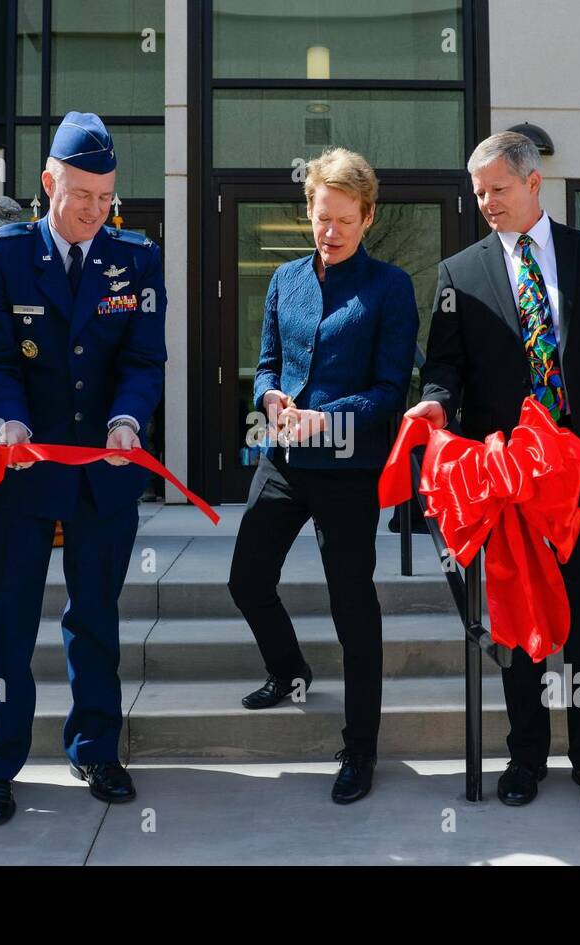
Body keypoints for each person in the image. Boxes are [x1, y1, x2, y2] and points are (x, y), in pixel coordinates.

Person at [406, 131, 580, 817]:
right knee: (517, 627)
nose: (485, 202)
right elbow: (445, 367)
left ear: (533, 182)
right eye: (478, 191)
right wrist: (435, 402)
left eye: (496, 189)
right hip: (507, 487)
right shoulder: (461, 272)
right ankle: (525, 755)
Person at [0, 112, 166, 825]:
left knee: (96, 620)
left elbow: (143, 358)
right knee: (6, 621)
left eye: (106, 196)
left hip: (104, 471)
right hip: (21, 470)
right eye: (81, 193)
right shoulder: (2, 255)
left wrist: (128, 421)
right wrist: (5, 420)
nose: (94, 209)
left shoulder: (136, 258)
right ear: (48, 181)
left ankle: (96, 746)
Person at [228, 147, 418, 805]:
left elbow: (391, 389)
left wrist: (324, 418)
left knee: (351, 605)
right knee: (246, 579)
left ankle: (360, 747)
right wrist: (271, 399)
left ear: (367, 216)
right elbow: (266, 363)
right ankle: (289, 669)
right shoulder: (285, 279)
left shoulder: (389, 287)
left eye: (342, 219)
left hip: (348, 468)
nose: (329, 232)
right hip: (282, 461)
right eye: (320, 218)